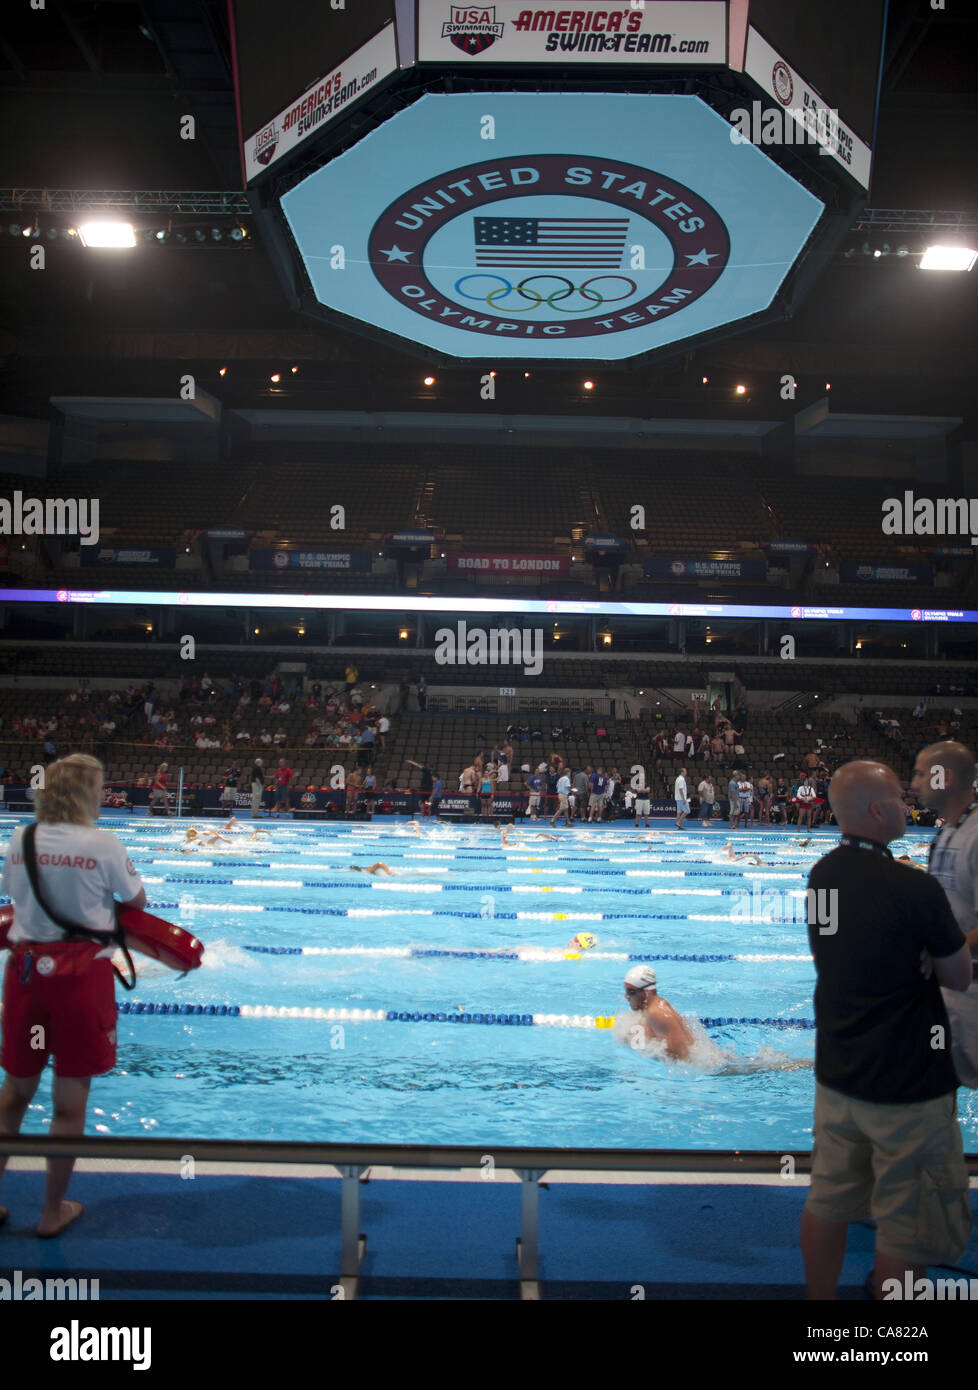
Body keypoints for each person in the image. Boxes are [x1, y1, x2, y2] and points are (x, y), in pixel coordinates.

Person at [800, 760, 972, 1301]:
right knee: (907, 1222)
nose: (908, 804)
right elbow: (958, 975)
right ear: (877, 811)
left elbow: (836, 953)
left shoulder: (821, 874)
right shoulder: (912, 886)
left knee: (827, 1201)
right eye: (899, 797)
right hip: (904, 1086)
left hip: (837, 1076)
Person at [0, 754, 147, 1237]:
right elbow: (136, 902)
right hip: (80, 980)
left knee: (14, 1094)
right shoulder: (103, 844)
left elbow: (13, 900)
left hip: (26, 978)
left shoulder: (19, 840)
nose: (103, 797)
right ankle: (50, 1211)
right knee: (69, 1101)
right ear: (87, 793)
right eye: (100, 789)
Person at [911, 741, 978, 1090]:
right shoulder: (949, 833)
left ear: (944, 777)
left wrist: (943, 953)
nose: (914, 783)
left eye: (922, 774)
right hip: (952, 992)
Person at [622, 965, 694, 1061]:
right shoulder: (651, 1009)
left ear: (646, 992)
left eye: (631, 991)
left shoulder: (657, 1013)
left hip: (709, 1072)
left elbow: (683, 1058)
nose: (626, 996)